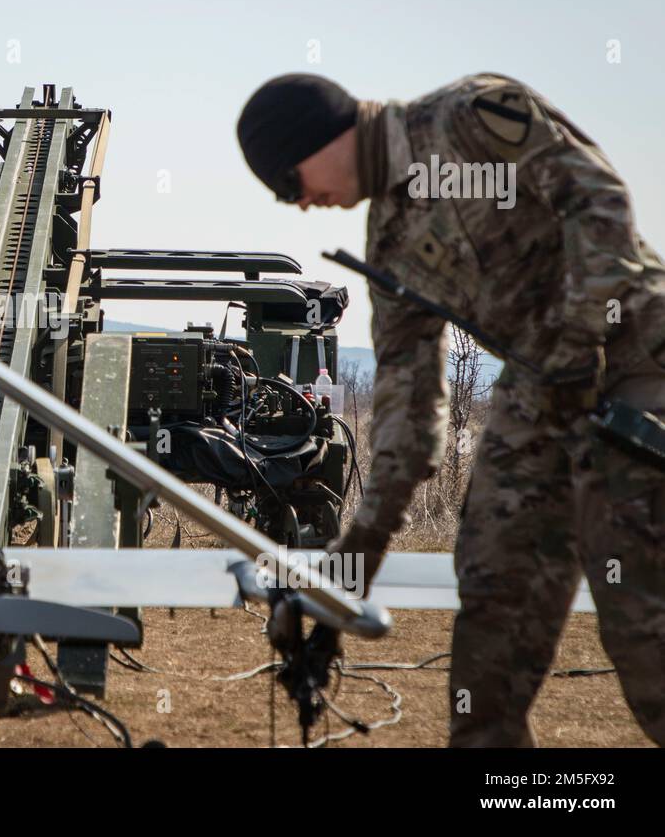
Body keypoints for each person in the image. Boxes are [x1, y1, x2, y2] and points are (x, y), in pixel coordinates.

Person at [236, 72, 665, 747]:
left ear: (321, 137)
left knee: (640, 616)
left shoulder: (469, 117)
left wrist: (583, 341)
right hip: (538, 396)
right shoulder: (391, 250)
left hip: (637, 358)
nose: (299, 204)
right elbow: (408, 419)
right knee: (492, 598)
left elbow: (598, 199)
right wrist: (344, 586)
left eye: (289, 182)